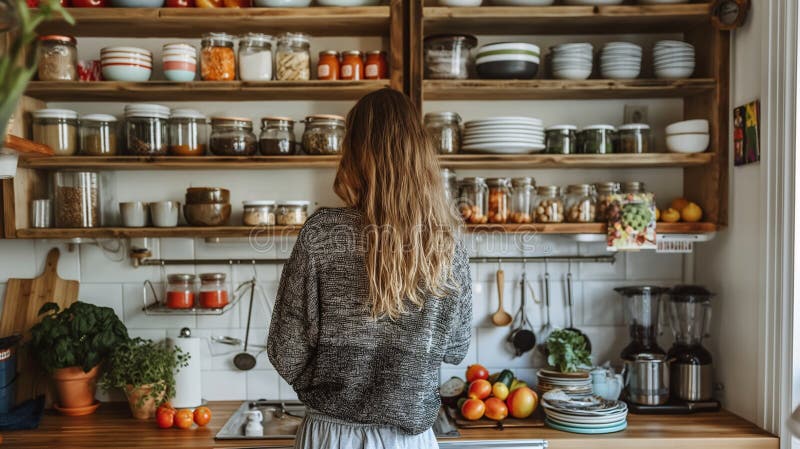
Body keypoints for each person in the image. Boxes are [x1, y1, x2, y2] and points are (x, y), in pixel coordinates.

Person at [267, 88, 472, 449]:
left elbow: (286, 350)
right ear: (420, 154)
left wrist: (333, 394)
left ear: (355, 153)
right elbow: (455, 348)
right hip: (410, 441)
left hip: (331, 436)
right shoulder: (447, 242)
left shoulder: (322, 233)